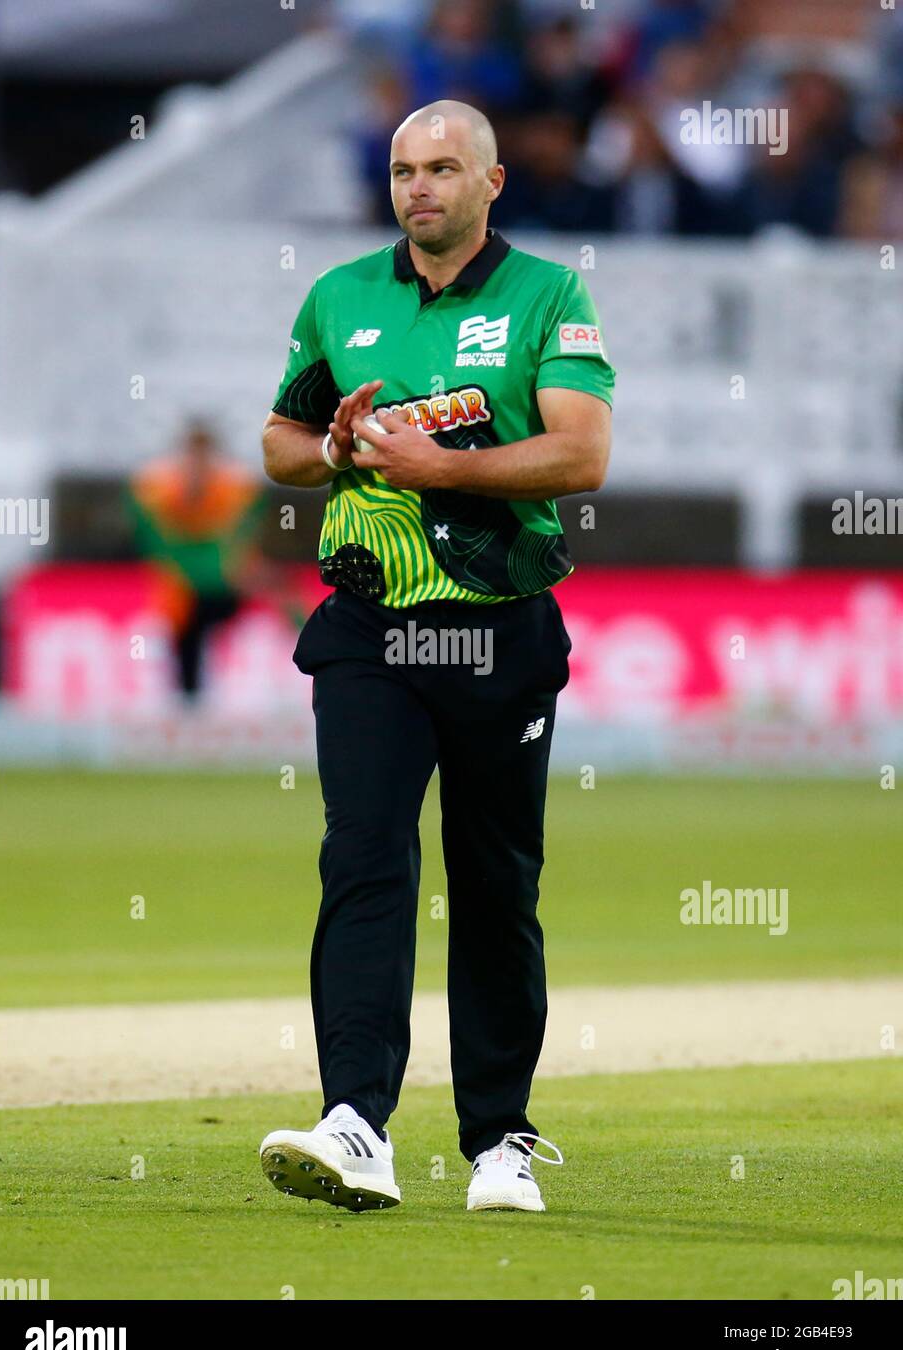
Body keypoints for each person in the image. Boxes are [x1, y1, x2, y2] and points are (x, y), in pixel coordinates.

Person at [259, 99, 615, 1214]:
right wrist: (332, 448)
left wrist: (442, 468)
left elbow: (581, 454)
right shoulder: (341, 296)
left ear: (491, 183)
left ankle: (498, 1140)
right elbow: (279, 443)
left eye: (444, 168)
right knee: (364, 857)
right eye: (404, 169)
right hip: (370, 628)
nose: (418, 187)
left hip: (497, 626)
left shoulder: (546, 294)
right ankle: (355, 1122)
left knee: (496, 879)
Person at [126, 422, 266, 699]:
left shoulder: (231, 491)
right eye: (192, 457)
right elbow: (151, 533)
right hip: (184, 590)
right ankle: (187, 693)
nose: (198, 466)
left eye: (204, 457)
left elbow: (243, 534)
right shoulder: (161, 491)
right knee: (182, 628)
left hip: (221, 586)